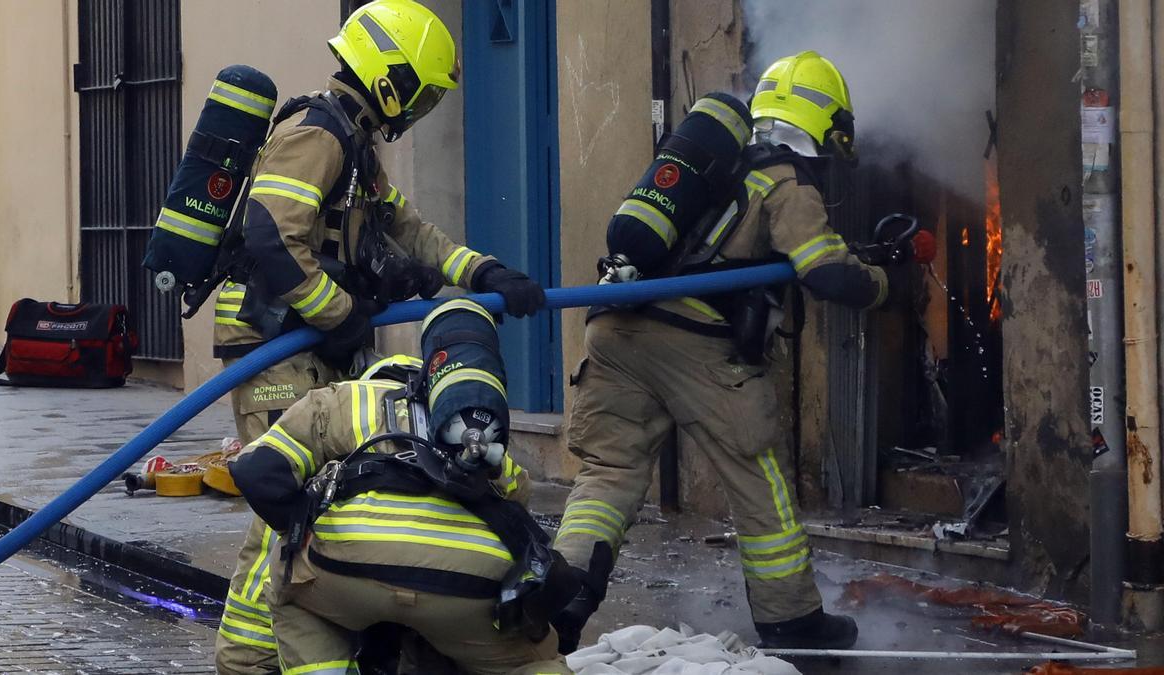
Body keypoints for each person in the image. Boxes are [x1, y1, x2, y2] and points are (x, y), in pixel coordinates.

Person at [550, 51, 933, 652]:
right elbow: (825, 275)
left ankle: (557, 608)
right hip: (696, 344)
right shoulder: (785, 179)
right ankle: (795, 622)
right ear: (825, 122)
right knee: (762, 483)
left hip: (616, 328)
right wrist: (888, 284)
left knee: (608, 475)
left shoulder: (720, 167)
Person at [214, 2, 544, 671]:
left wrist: (482, 270)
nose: (421, 109)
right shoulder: (318, 133)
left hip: (309, 339)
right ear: (393, 79)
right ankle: (247, 659)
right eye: (423, 94)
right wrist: (342, 313)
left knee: (320, 488)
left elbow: (406, 227)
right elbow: (273, 234)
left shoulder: (355, 145)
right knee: (280, 502)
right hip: (274, 342)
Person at [227, 299, 572, 675]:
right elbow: (519, 498)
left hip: (347, 564)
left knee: (294, 595)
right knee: (530, 662)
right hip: (469, 583)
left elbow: (257, 471)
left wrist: (302, 528)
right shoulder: (478, 440)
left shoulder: (348, 397)